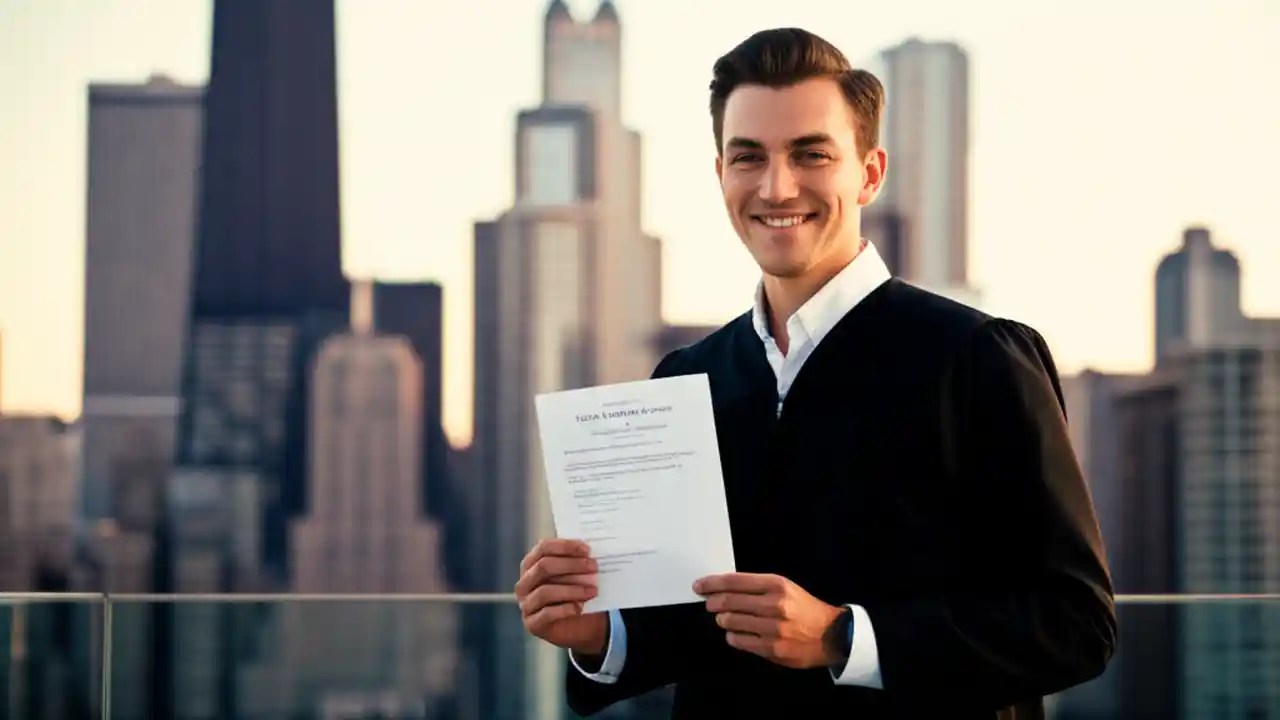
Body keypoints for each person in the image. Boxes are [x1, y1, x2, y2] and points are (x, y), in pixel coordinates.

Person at [515, 27, 1116, 719]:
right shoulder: (689, 377)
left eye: (811, 154)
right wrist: (599, 636)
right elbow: (687, 628)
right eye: (749, 157)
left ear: (870, 173)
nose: (777, 187)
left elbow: (1077, 625)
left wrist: (841, 638)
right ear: (721, 174)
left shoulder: (978, 358)